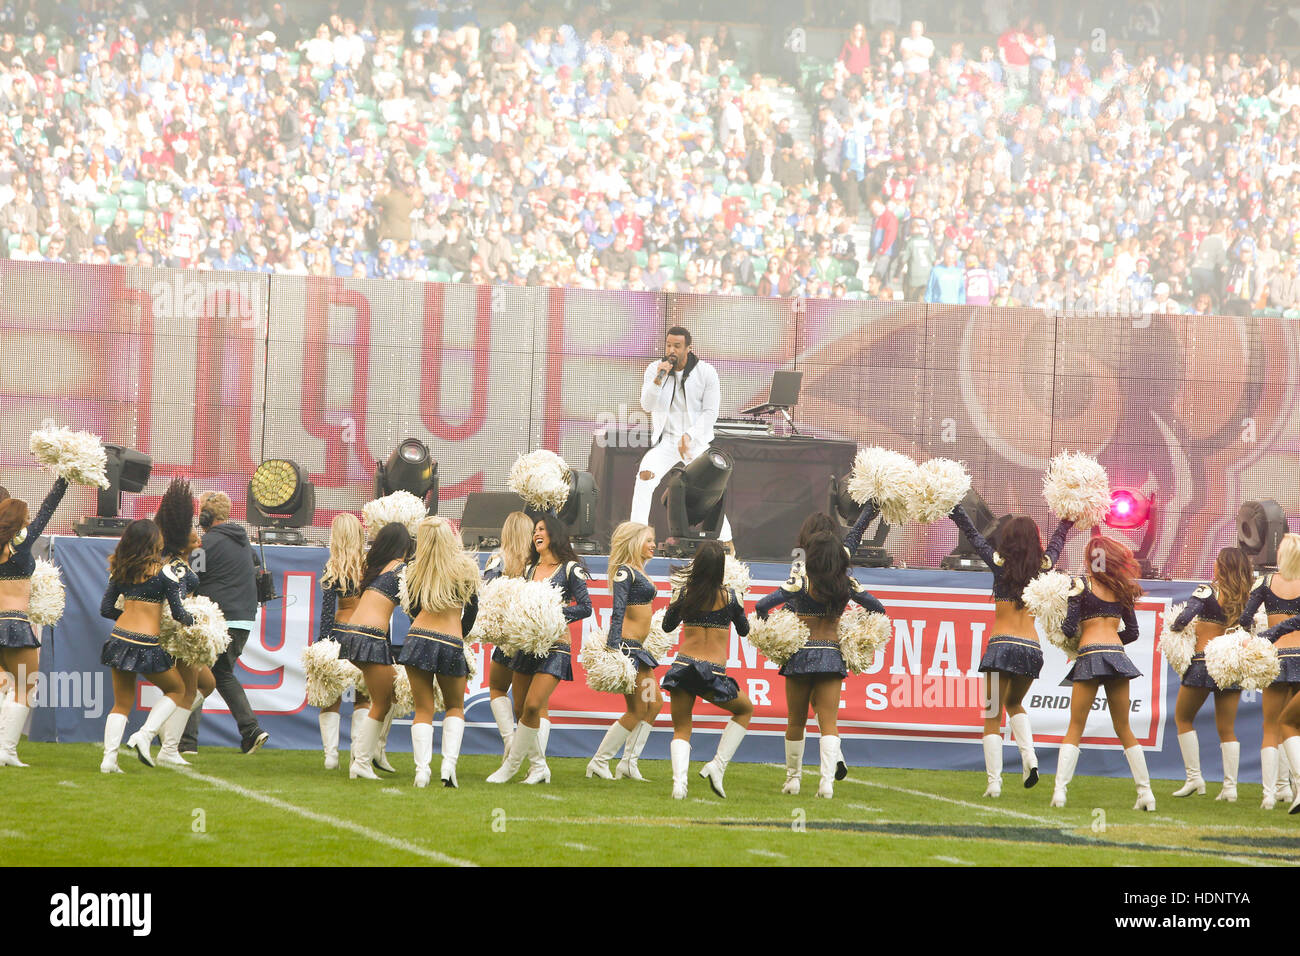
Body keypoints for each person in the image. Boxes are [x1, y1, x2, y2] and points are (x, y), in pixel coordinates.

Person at [755, 506, 887, 798]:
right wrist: (870, 509)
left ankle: (793, 780)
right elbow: (879, 609)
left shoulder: (800, 580)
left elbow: (761, 606)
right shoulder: (844, 583)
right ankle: (826, 783)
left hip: (799, 655)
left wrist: (772, 627)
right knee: (829, 722)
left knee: (796, 720)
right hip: (831, 654)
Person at [948, 498, 1073, 795]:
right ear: (1034, 542)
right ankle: (1030, 759)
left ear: (1008, 541)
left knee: (993, 714)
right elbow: (1057, 541)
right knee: (1015, 703)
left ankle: (994, 783)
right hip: (1031, 650)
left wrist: (954, 508)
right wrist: (1067, 518)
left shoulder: (998, 563)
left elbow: (973, 535)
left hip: (1001, 647)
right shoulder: (1045, 565)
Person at [487, 513, 592, 783]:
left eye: (542, 529)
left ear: (554, 534)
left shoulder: (570, 568)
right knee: (520, 709)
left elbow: (585, 607)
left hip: (556, 645)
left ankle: (510, 766)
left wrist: (551, 615)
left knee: (534, 705)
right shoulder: (529, 569)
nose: (536, 534)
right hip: (528, 645)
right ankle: (538, 767)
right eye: (535, 530)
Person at [1051, 536, 1152, 811]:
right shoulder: (1121, 590)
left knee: (1075, 726)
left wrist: (1071, 628)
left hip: (1090, 656)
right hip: (1118, 657)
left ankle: (1060, 792)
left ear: (1090, 559)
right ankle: (1146, 794)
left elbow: (1069, 629)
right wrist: (1111, 646)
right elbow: (1132, 632)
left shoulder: (1081, 586)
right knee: (1124, 727)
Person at [660, 540, 752, 799]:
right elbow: (745, 631)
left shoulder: (684, 594)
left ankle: (680, 785)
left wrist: (675, 601)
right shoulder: (732, 597)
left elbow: (667, 626)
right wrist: (740, 605)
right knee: (745, 710)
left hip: (683, 667)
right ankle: (717, 766)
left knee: (681, 728)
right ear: (721, 567)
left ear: (697, 565)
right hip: (713, 673)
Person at [99, 519, 193, 771]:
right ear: (154, 543)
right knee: (177, 690)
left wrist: (127, 619)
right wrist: (196, 620)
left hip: (119, 639)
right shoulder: (165, 573)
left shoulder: (120, 571)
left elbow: (106, 608)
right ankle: (145, 735)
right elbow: (178, 614)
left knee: (121, 704)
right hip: (147, 643)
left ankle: (109, 760)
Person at [180, 492, 269, 756]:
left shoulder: (204, 545)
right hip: (244, 620)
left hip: (218, 620)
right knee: (221, 674)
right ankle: (250, 730)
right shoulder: (244, 543)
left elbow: (191, 581)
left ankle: (186, 742)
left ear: (205, 516)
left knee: (196, 673)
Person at [399, 517, 480, 788]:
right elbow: (472, 611)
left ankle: (422, 772)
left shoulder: (414, 570)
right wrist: (459, 632)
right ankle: (448, 768)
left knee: (423, 709)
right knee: (455, 706)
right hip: (450, 641)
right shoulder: (466, 568)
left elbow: (412, 609)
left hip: (417, 638)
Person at [1164, 548, 1251, 800]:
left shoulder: (1206, 591)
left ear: (1221, 567)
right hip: (1231, 665)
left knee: (1183, 718)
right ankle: (1230, 788)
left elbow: (1181, 620)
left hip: (1203, 663)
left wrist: (1179, 627)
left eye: (1216, 560)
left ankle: (1194, 779)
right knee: (1227, 728)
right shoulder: (1246, 598)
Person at [631, 326, 731, 545]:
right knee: (644, 478)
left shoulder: (706, 372)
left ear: (688, 348)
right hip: (665, 443)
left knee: (711, 491)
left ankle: (725, 541)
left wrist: (690, 436)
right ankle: (636, 539)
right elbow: (646, 404)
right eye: (668, 345)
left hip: (694, 443)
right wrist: (660, 377)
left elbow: (710, 413)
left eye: (677, 346)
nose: (671, 350)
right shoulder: (655, 369)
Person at [330, 522, 412, 779]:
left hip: (353, 636)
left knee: (384, 698)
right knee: (382, 702)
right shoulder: (401, 569)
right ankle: (362, 762)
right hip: (369, 637)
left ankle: (363, 759)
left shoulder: (377, 569)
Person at [585, 521, 663, 781]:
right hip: (628, 649)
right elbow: (618, 611)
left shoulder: (638, 570)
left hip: (640, 650)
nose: (653, 545)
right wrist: (613, 648)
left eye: (653, 540)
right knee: (639, 709)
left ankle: (628, 763)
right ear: (634, 542)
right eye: (648, 540)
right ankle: (600, 761)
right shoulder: (624, 572)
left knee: (654, 704)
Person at [0, 474, 68, 766]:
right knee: (26, 685)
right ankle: (7, 750)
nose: (30, 521)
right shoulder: (22, 543)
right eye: (25, 518)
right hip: (14, 623)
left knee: (9, 683)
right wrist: (64, 479)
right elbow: (46, 511)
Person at [152, 478, 217, 767]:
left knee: (208, 684)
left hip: (179, 630)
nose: (196, 532)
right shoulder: (176, 564)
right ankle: (165, 745)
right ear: (181, 536)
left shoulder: (182, 561)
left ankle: (166, 732)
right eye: (190, 527)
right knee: (186, 689)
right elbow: (175, 605)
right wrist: (191, 625)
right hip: (177, 632)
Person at [1237, 533, 1300, 808]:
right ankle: (1291, 789)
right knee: (1294, 724)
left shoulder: (1265, 582)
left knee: (1271, 727)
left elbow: (1244, 617)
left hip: (1276, 657)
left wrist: (1255, 634)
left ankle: (1269, 795)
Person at [314, 513, 371, 771]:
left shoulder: (332, 567)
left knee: (331, 693)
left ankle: (331, 755)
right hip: (366, 633)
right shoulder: (371, 566)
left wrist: (322, 645)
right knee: (363, 696)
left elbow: (327, 613)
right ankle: (356, 755)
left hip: (339, 630)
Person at [484, 511, 534, 757]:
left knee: (497, 688)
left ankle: (510, 742)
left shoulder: (497, 558)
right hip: (533, 636)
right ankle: (533, 756)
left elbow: (487, 590)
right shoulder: (538, 564)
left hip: (507, 638)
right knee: (532, 703)